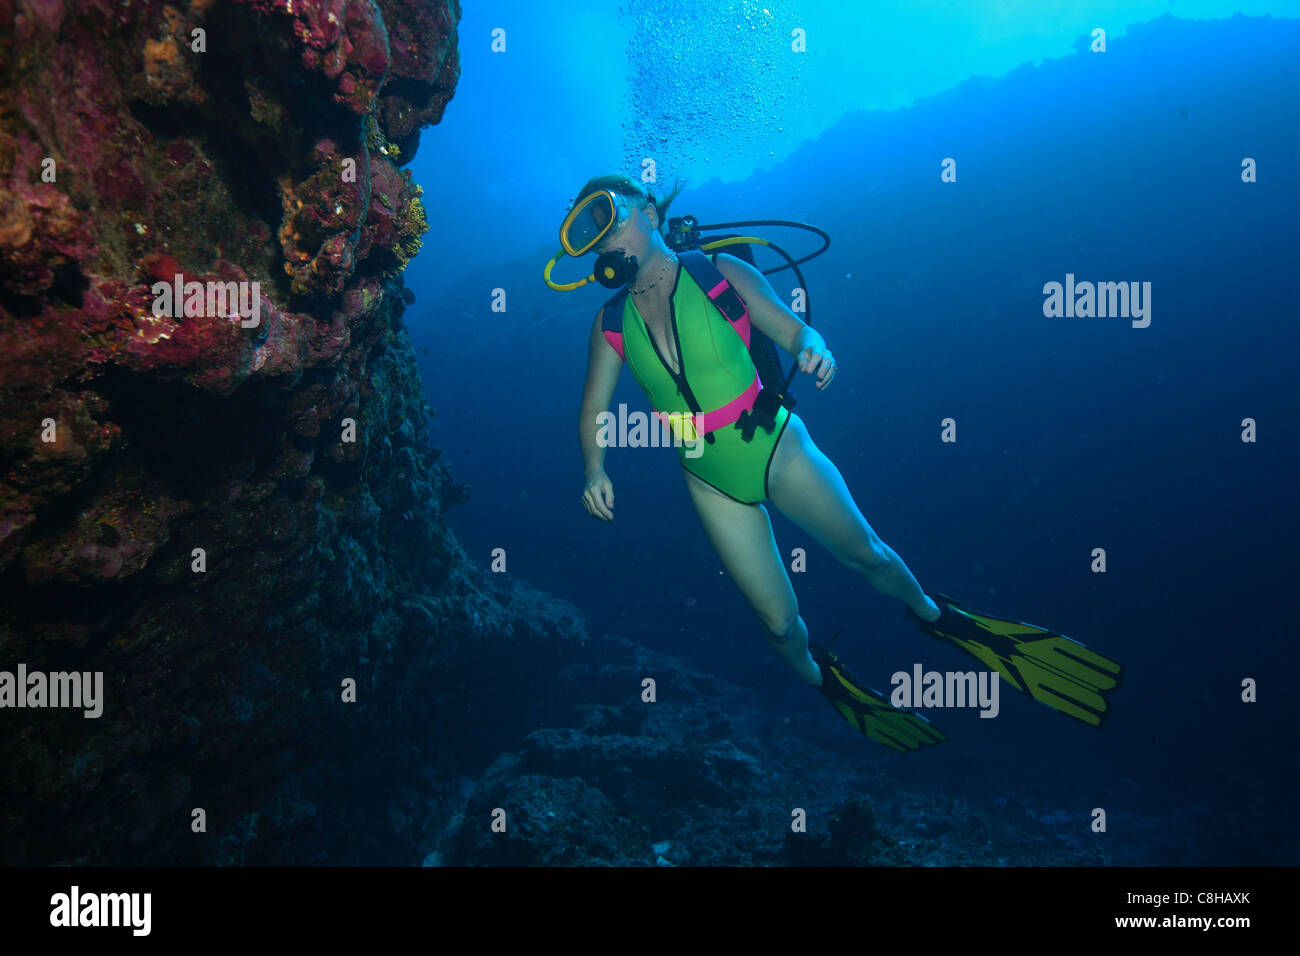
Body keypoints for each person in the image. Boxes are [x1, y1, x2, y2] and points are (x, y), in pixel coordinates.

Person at [567, 175, 1121, 751]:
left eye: (611, 217)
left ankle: (937, 617)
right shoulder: (609, 323)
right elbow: (592, 410)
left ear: (651, 215)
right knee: (778, 625)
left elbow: (793, 328)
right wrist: (594, 469)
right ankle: (823, 679)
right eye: (590, 230)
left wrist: (815, 349)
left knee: (869, 556)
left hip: (777, 444)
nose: (605, 239)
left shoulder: (720, 273)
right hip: (710, 482)